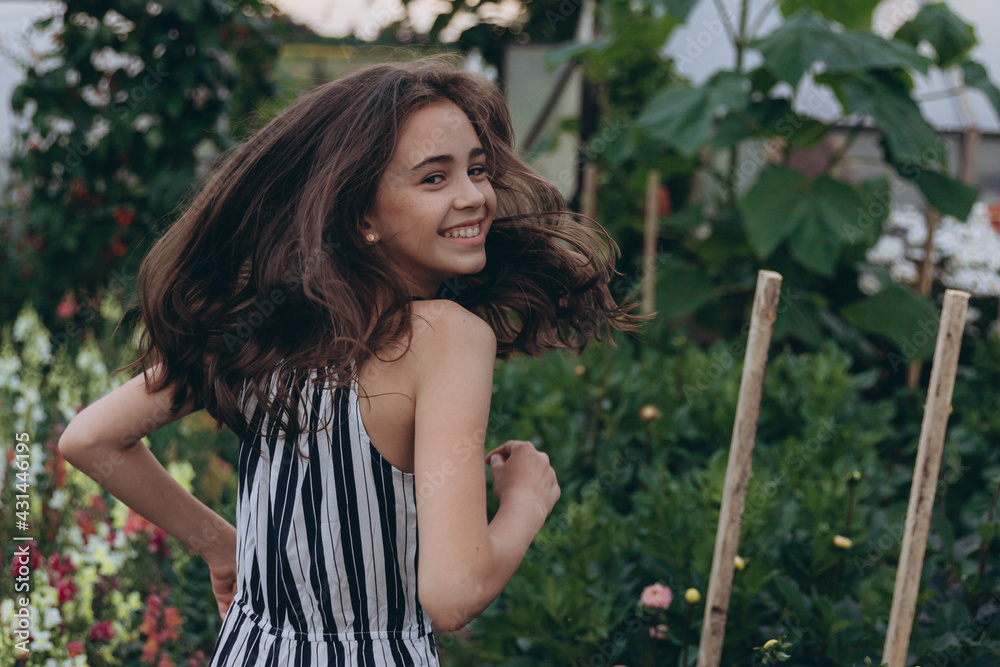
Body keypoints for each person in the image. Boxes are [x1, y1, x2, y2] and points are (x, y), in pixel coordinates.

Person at [58, 54, 639, 665]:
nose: (474, 197)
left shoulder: (265, 325)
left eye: (477, 169)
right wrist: (525, 501)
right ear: (361, 215)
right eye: (434, 179)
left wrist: (221, 548)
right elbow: (452, 594)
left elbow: (90, 439)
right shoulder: (447, 339)